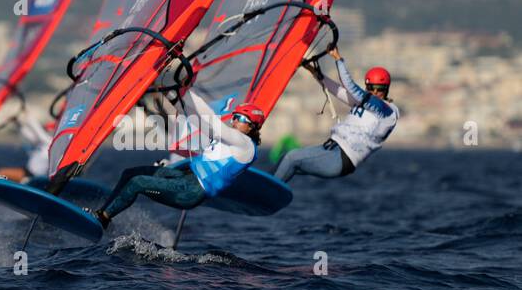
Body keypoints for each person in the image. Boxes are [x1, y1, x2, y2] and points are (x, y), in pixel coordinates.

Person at [92, 95, 265, 229]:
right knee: (130, 173)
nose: (235, 121)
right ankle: (101, 213)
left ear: (252, 127)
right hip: (183, 176)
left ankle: (103, 218)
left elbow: (211, 120)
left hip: (192, 190)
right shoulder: (230, 141)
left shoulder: (245, 145)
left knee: (137, 183)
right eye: (235, 116)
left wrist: (189, 92)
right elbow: (198, 126)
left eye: (241, 119)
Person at [274, 47, 398, 183]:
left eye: (379, 89)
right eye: (370, 88)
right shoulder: (364, 103)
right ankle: (259, 191)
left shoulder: (388, 112)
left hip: (342, 159)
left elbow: (351, 87)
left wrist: (338, 59)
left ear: (386, 89)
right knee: (286, 159)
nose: (374, 92)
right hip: (329, 148)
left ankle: (267, 193)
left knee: (292, 157)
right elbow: (337, 90)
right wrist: (313, 71)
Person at [0, 110, 54, 182]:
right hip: (26, 172)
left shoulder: (49, 142)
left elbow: (39, 132)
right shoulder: (42, 144)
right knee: (3, 175)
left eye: (47, 130)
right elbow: (29, 135)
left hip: (32, 176)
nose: (46, 131)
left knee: (2, 173)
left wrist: (28, 116)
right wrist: (17, 123)